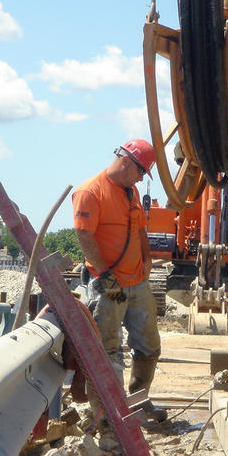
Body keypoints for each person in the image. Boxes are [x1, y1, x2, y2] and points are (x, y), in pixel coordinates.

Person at [72, 139, 166, 421]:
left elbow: (139, 231)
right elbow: (85, 237)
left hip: (136, 282)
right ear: (126, 161)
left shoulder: (131, 192)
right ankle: (107, 413)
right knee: (108, 350)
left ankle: (138, 401)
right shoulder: (91, 191)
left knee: (149, 346)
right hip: (109, 284)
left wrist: (147, 261)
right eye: (140, 172)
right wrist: (106, 277)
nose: (140, 178)